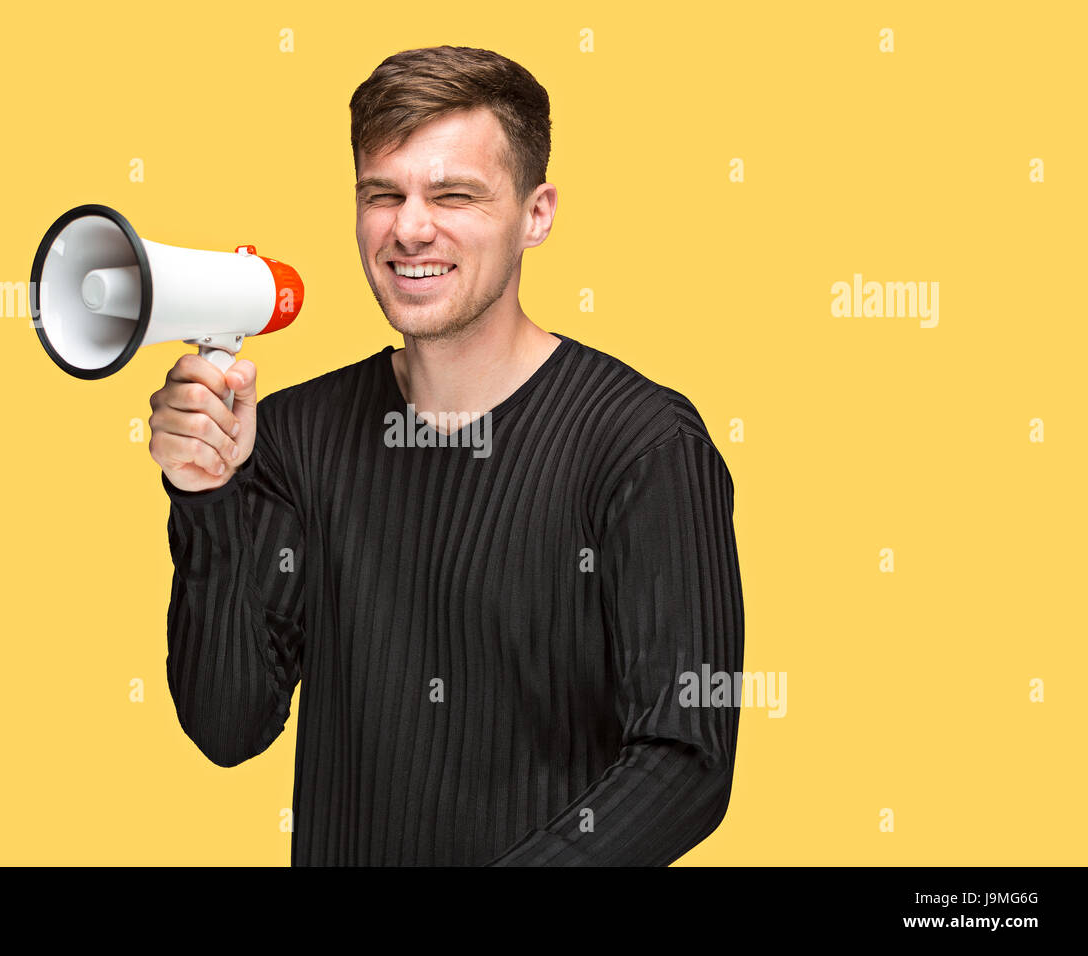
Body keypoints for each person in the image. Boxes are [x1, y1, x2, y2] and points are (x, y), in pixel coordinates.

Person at [148, 45, 745, 866]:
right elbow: (227, 727)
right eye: (381, 194)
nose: (409, 227)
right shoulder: (292, 435)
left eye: (454, 194)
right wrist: (207, 500)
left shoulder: (643, 447)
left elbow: (688, 759)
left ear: (537, 214)